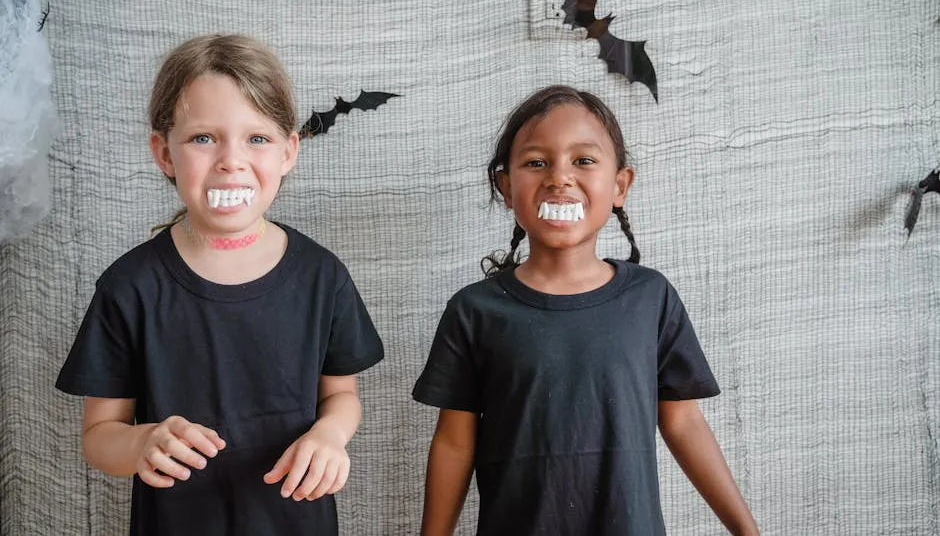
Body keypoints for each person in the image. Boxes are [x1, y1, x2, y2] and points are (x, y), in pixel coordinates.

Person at [56, 34, 384, 536]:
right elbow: (100, 436)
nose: (231, 160)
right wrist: (143, 443)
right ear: (163, 153)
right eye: (203, 138)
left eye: (257, 138)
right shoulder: (129, 287)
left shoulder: (322, 276)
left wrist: (330, 435)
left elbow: (342, 395)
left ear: (288, 151)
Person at [412, 85, 758, 535]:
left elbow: (685, 423)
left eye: (584, 160)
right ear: (506, 186)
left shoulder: (650, 299)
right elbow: (454, 444)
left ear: (620, 185)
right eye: (536, 162)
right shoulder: (474, 311)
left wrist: (747, 531)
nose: (559, 178)